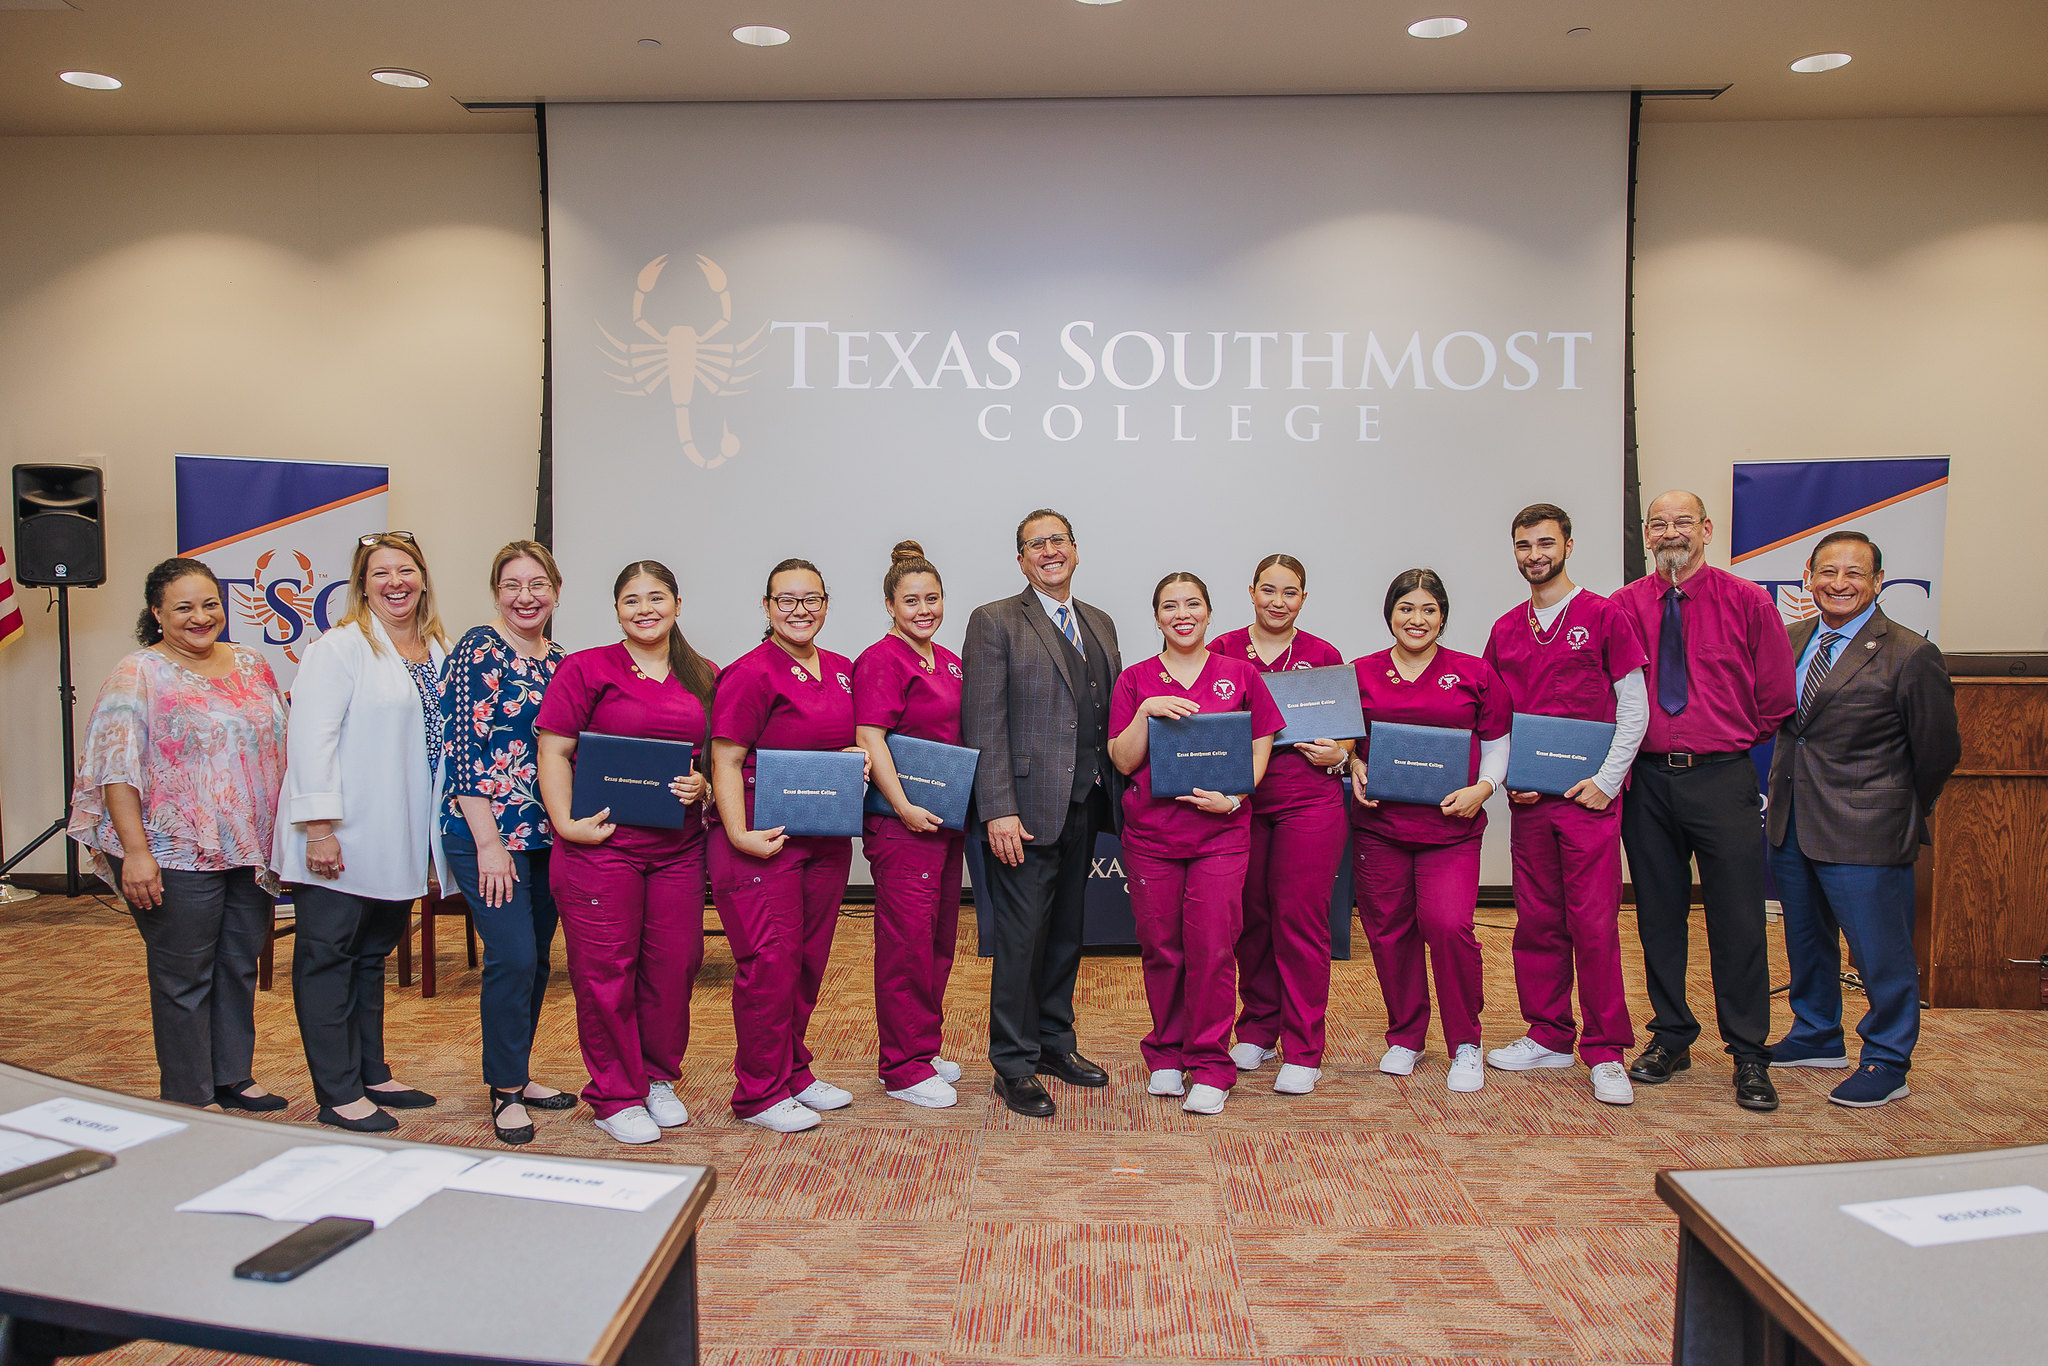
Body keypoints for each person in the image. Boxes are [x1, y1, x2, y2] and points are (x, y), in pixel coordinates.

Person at [68, 557, 289, 1112]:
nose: (200, 617)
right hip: (171, 850)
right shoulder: (138, 673)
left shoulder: (252, 663)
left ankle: (232, 1076)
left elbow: (277, 746)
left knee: (238, 964)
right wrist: (135, 853)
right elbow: (115, 767)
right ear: (157, 613)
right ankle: (190, 1096)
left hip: (247, 847)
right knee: (184, 976)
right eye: (184, 607)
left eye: (210, 604)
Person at [1613, 490, 1796, 1112]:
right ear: (1646, 534)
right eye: (1659, 523)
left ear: (1707, 530)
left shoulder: (1748, 602)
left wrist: (1719, 740)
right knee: (1658, 915)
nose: (1671, 532)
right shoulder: (1623, 607)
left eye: (1683, 521)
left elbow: (1775, 698)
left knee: (1738, 919)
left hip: (1722, 779)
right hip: (1646, 781)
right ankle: (1671, 1036)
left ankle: (1748, 1052)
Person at [1765, 530, 1960, 1108]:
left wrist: (1897, 807)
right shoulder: (1790, 638)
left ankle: (1888, 1059)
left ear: (1877, 582)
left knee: (1880, 952)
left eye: (1854, 573)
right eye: (1828, 572)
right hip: (1792, 822)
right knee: (1806, 940)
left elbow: (1938, 751)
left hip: (1869, 828)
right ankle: (1816, 1034)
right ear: (1809, 577)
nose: (1839, 583)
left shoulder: (1910, 654)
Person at [534, 561, 715, 1145]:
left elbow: (716, 759)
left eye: (656, 597)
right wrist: (566, 824)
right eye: (631, 600)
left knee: (676, 964)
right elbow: (554, 751)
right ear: (616, 610)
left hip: (678, 849)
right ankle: (616, 1094)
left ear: (678, 604)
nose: (645, 609)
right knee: (607, 970)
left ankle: (656, 1076)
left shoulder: (704, 675)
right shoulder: (586, 669)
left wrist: (703, 785)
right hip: (602, 847)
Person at [275, 532, 448, 1132]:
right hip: (341, 835)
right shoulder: (339, 648)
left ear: (422, 578)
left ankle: (371, 1071)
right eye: (381, 573)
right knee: (328, 957)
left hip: (399, 833)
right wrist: (319, 828)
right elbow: (310, 740)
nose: (395, 583)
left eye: (406, 571)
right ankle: (338, 1091)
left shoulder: (438, 647)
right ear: (362, 584)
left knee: (372, 956)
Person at [1482, 504, 1649, 1106]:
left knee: (1594, 925)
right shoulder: (1506, 629)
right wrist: (1507, 779)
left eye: (1545, 543)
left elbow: (1634, 708)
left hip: (1588, 802)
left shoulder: (1604, 616)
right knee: (1536, 922)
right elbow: (1495, 719)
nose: (1535, 555)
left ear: (1568, 546)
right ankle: (1549, 1034)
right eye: (1524, 545)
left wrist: (1607, 780)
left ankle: (1606, 1051)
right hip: (1530, 803)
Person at [960, 509, 1123, 1118]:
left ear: (1076, 550)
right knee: (1022, 940)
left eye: (1058, 540)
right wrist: (997, 808)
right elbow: (984, 722)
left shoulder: (1099, 622)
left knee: (1066, 935)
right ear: (1021, 560)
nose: (1049, 551)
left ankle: (1055, 1042)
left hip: (1086, 802)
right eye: (1035, 544)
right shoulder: (995, 620)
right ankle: (1013, 1062)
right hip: (1023, 813)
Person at [1110, 573, 1283, 1115]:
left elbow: (1261, 744)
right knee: (1161, 947)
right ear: (1156, 617)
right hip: (1152, 837)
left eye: (1192, 604)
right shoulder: (1135, 680)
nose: (1181, 614)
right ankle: (1166, 1053)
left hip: (1220, 835)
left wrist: (1236, 798)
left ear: (1209, 612)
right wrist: (1146, 712)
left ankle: (1210, 1064)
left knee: (1212, 949)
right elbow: (1123, 760)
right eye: (1170, 606)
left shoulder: (1240, 674)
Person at [708, 558, 867, 1133]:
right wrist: (737, 833)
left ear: (826, 603)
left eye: (811, 599)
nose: (800, 610)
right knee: (768, 964)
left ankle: (793, 1071)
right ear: (767, 606)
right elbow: (725, 759)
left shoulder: (843, 670)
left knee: (806, 962)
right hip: (761, 839)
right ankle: (758, 1092)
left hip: (823, 838)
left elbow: (845, 740)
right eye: (787, 600)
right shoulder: (749, 673)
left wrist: (853, 756)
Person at [1345, 569, 1511, 1093]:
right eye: (1406, 608)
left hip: (1451, 828)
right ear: (1389, 614)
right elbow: (1346, 741)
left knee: (1448, 926)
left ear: (1442, 617)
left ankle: (1465, 1042)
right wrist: (1354, 764)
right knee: (1388, 932)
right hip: (1380, 828)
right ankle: (1406, 1036)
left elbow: (1497, 741)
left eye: (1428, 610)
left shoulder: (1473, 673)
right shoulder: (1360, 672)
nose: (1416, 620)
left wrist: (1484, 787)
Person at [438, 541, 575, 1145]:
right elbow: (463, 753)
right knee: (512, 957)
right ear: (496, 592)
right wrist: (489, 845)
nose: (526, 596)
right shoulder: (478, 649)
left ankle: (518, 1072)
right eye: (512, 585)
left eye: (537, 584)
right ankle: (504, 1090)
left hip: (547, 833)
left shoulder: (561, 660)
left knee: (537, 959)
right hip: (488, 835)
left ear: (556, 591)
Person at [1206, 554, 1351, 1096]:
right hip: (1242, 803)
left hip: (1308, 802)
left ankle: (1304, 1047)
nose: (1278, 601)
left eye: (1290, 593)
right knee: (1251, 919)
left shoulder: (1323, 654)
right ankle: (1259, 1027)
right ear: (1251, 592)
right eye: (1268, 590)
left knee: (1300, 921)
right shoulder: (1222, 649)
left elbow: (1346, 734)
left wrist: (1339, 752)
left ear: (1304, 599)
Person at [854, 542, 969, 1109]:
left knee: (937, 941)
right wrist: (902, 806)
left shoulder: (948, 660)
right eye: (911, 600)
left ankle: (922, 1047)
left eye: (932, 598)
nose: (924, 609)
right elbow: (870, 738)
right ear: (889, 604)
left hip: (944, 821)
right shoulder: (882, 659)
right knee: (906, 946)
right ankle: (902, 1067)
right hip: (903, 825)